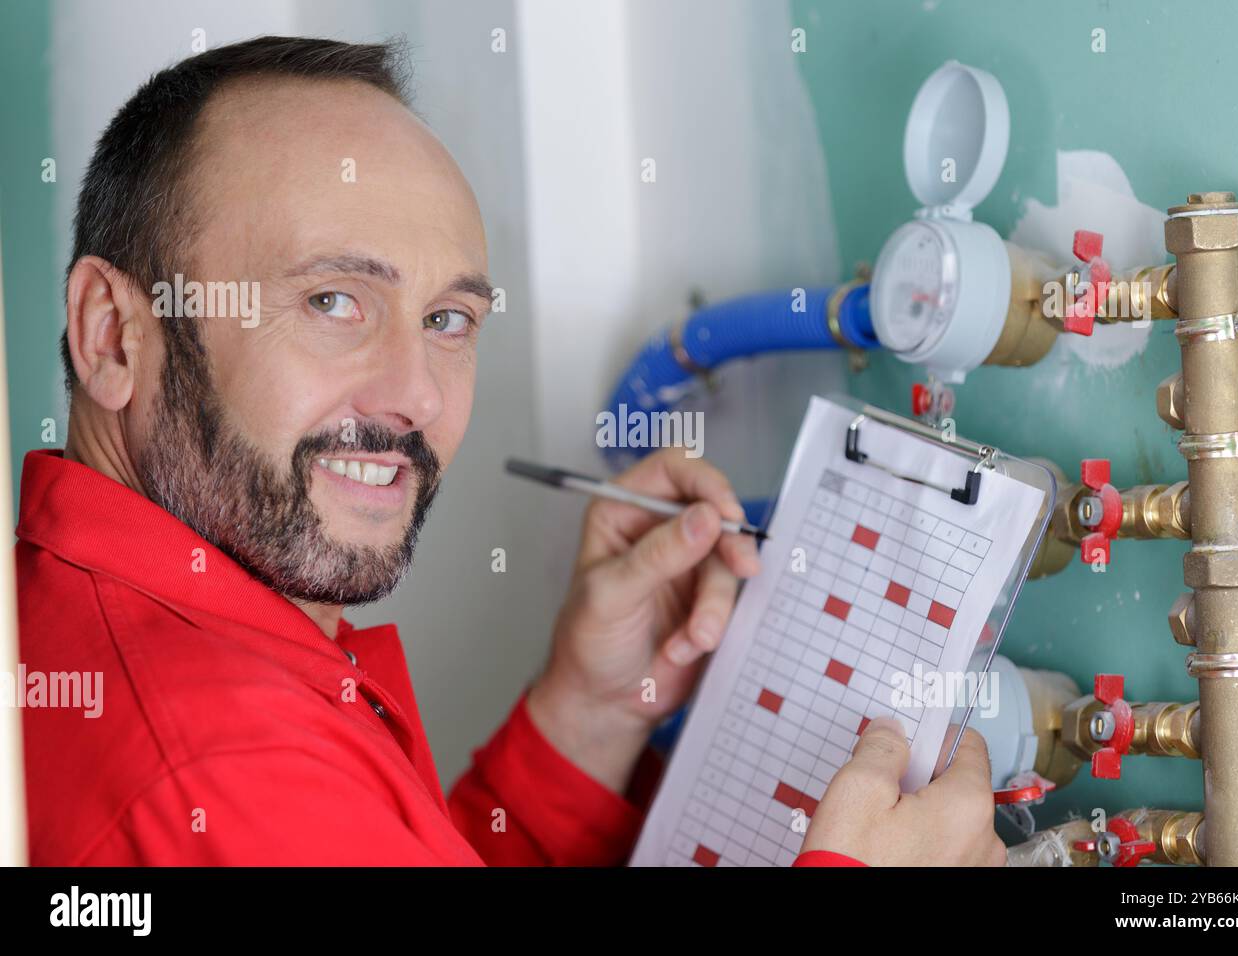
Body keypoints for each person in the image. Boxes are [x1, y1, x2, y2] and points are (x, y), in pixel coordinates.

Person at [17, 35, 1004, 867]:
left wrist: (587, 714)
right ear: (114, 334)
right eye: (333, 301)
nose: (417, 393)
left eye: (448, 317)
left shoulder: (114, 620)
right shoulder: (218, 766)